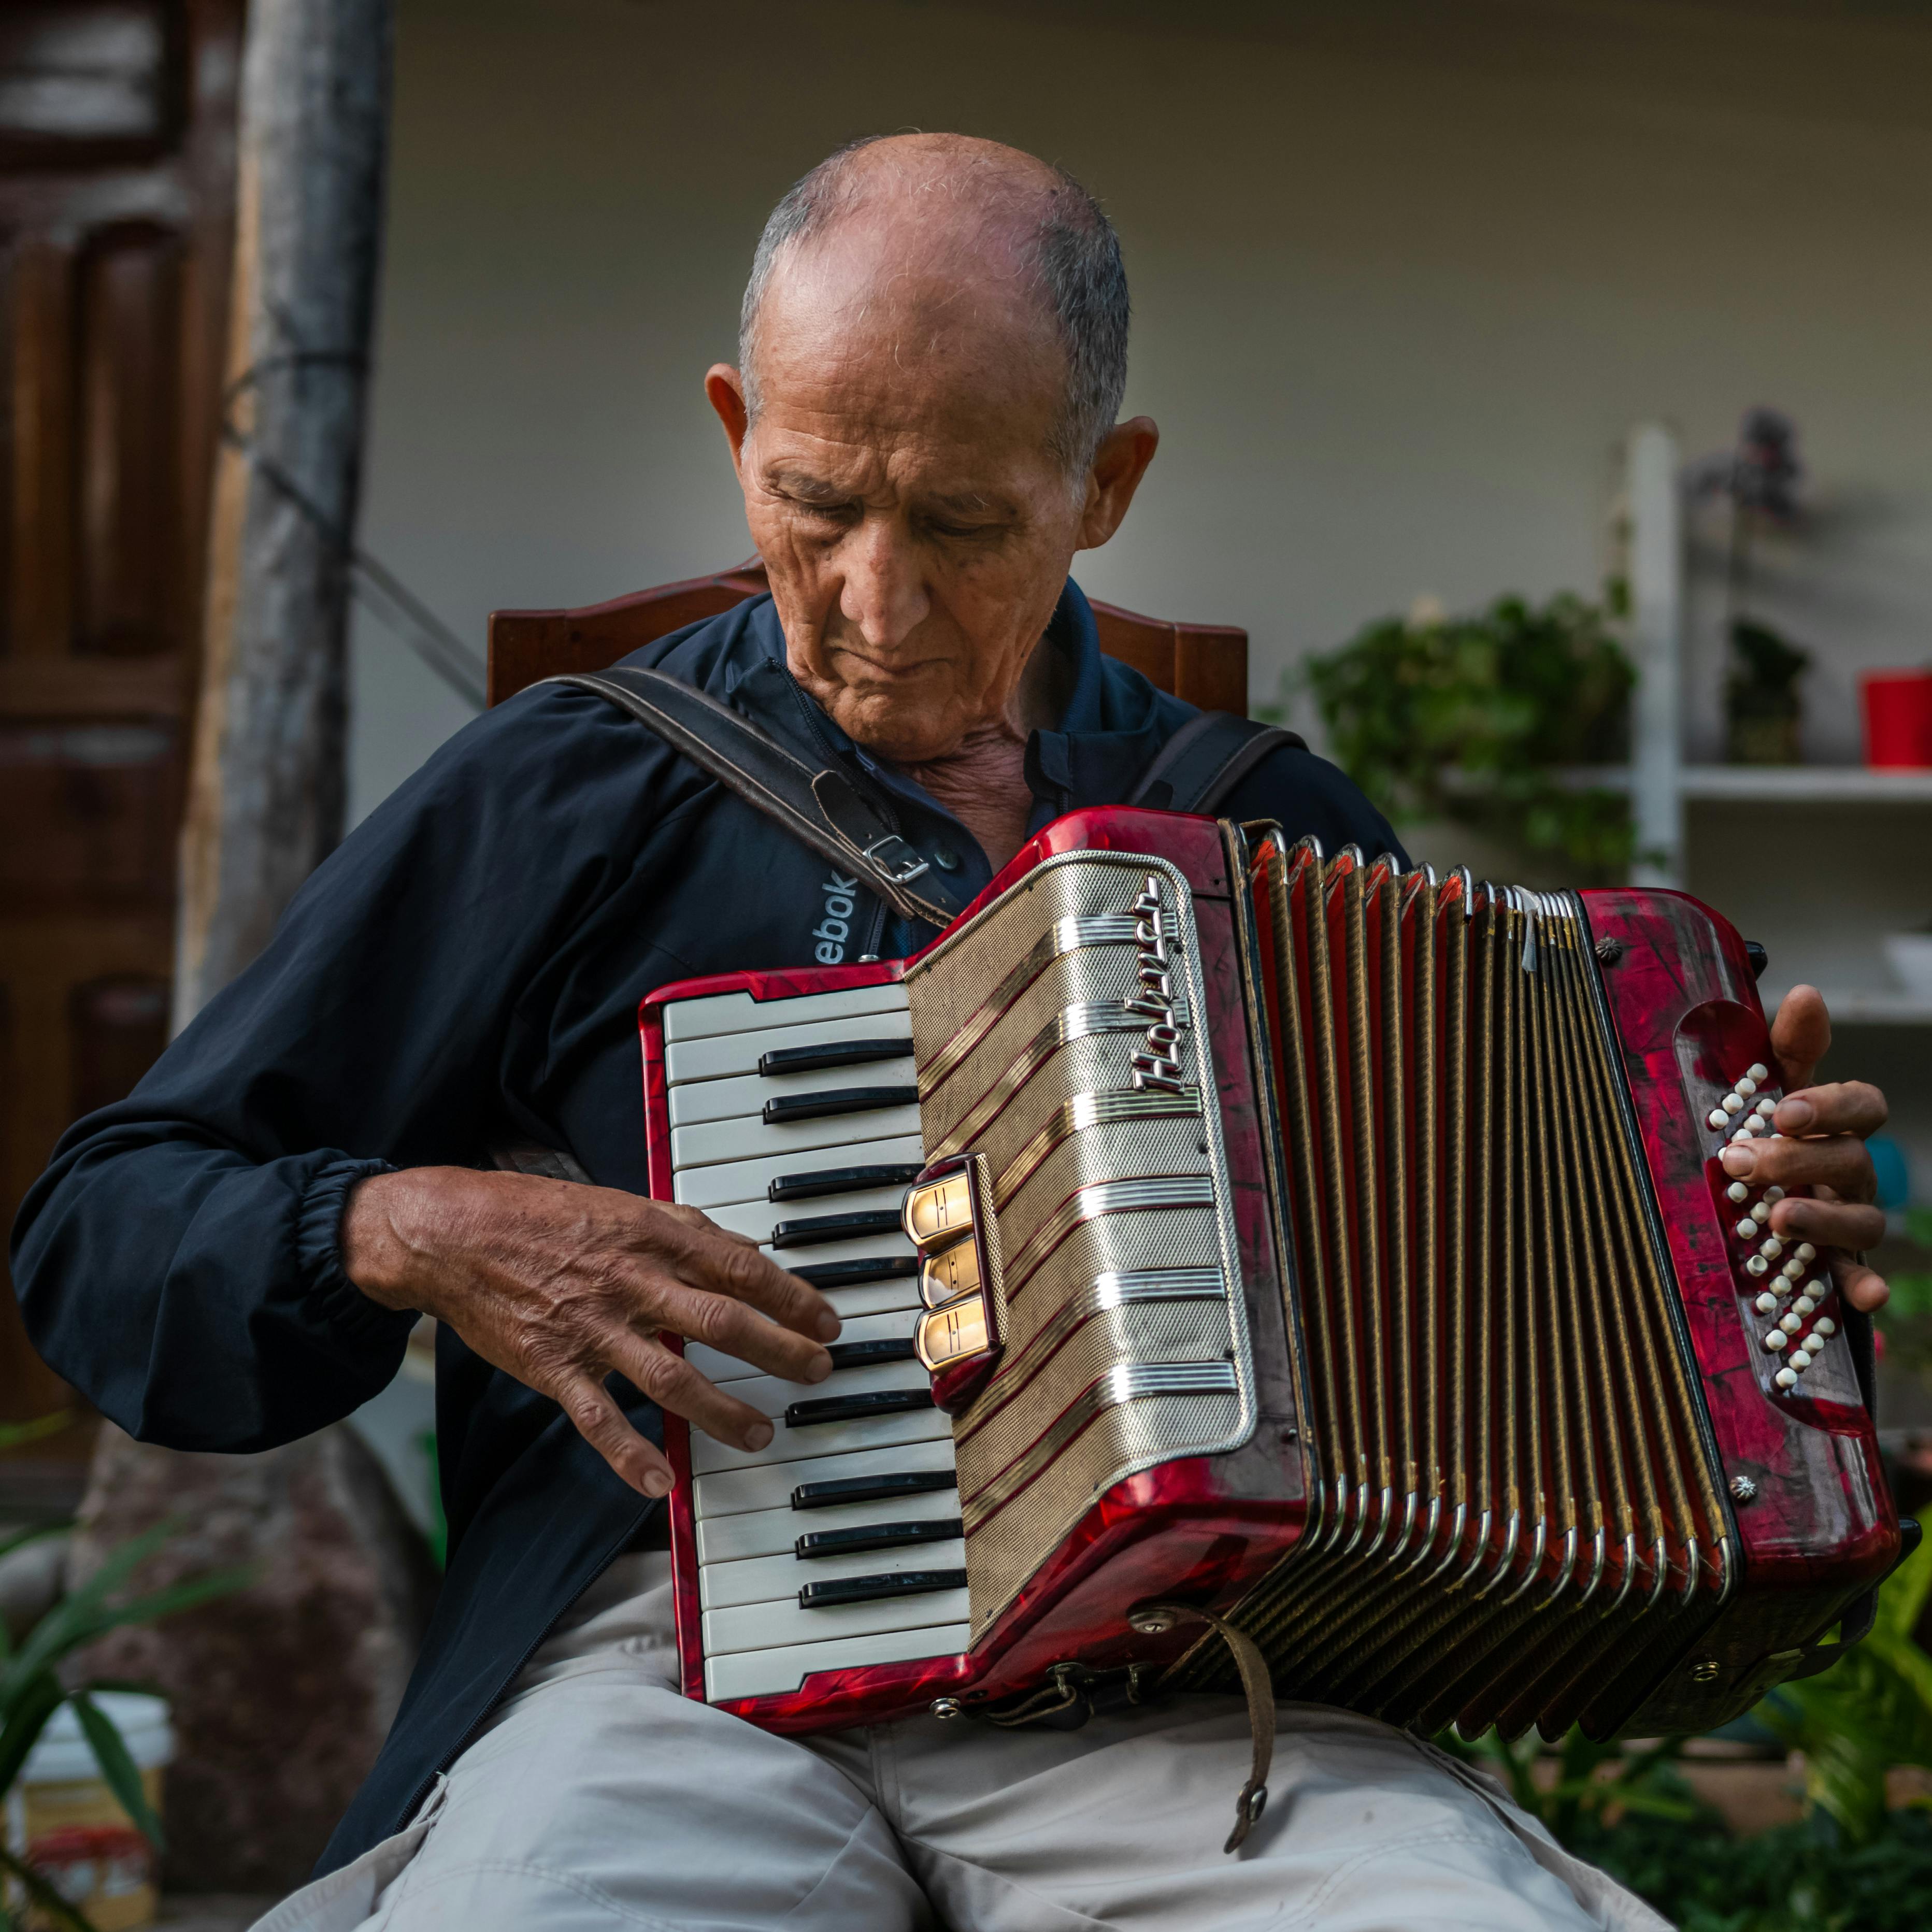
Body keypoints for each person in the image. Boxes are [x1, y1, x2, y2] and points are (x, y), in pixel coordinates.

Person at [12, 134, 1891, 1932]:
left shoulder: (1257, 825)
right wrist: (408, 1231)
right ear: (737, 431)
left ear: (1107, 484)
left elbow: (1499, 1323)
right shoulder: (574, 792)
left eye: (966, 523)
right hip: (672, 1668)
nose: (873, 603)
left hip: (1184, 1691)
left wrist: (1725, 1255)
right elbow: (106, 1230)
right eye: (813, 504)